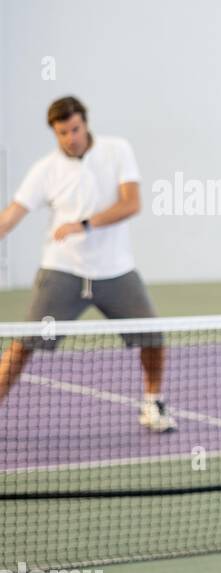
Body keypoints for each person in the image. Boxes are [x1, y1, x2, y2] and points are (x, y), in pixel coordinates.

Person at [0, 96, 174, 432]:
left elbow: (131, 204)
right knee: (24, 345)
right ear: (55, 133)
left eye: (75, 129)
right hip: (63, 270)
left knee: (152, 335)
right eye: (62, 132)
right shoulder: (44, 170)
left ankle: (153, 404)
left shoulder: (117, 150)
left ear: (86, 123)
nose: (70, 138)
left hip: (115, 270)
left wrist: (83, 224)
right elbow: (9, 218)